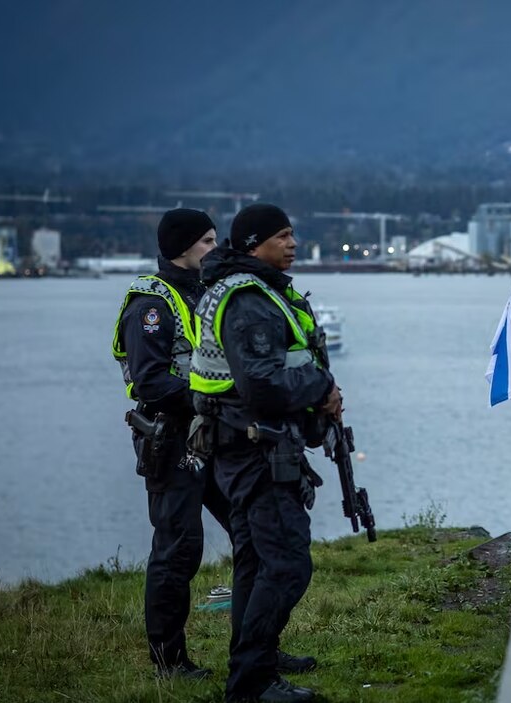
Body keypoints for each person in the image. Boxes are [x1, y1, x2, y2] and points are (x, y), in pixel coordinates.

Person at [190, 204, 338, 702]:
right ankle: (252, 682)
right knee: (289, 564)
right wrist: (320, 384)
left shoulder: (249, 290)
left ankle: (254, 663)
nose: (293, 243)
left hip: (243, 444)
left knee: (255, 563)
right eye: (282, 236)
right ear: (255, 244)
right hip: (254, 447)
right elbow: (262, 386)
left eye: (294, 234)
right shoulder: (248, 299)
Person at [112, 208, 230, 679]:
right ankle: (169, 662)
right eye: (206, 242)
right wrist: (213, 399)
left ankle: (260, 647)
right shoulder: (151, 306)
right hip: (172, 441)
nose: (214, 250)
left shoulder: (205, 294)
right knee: (178, 550)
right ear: (181, 247)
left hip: (214, 438)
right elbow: (150, 382)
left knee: (255, 532)